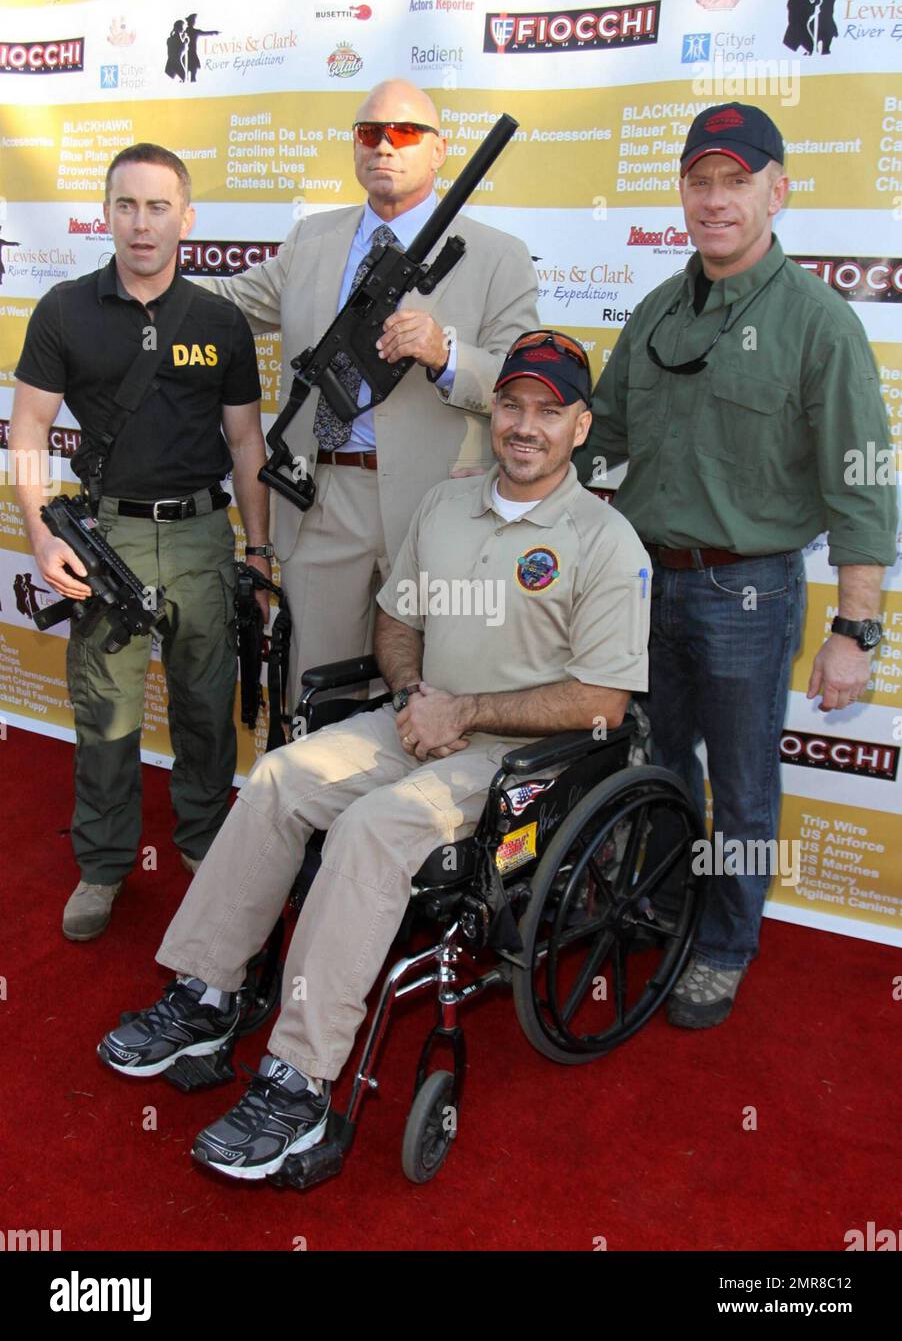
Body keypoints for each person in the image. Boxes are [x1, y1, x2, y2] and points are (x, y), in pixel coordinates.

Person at [96, 331, 651, 1181]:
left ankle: (301, 1078)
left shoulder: (606, 543)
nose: (525, 424)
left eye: (549, 410)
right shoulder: (446, 506)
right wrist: (413, 694)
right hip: (421, 717)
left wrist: (465, 710)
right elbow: (398, 622)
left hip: (520, 760)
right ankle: (208, 991)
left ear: (581, 426)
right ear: (493, 411)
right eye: (511, 404)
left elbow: (601, 702)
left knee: (372, 828)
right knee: (280, 776)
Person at [573, 102, 897, 1029]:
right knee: (654, 763)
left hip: (746, 593)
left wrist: (855, 630)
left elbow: (863, 489)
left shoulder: (818, 323)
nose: (716, 199)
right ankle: (665, 909)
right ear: (682, 191)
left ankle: (724, 944)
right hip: (640, 582)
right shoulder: (658, 310)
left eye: (737, 180)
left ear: (777, 190)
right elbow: (604, 443)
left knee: (745, 788)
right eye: (700, 180)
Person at [197, 77, 539, 706]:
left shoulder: (499, 256)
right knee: (319, 695)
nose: (385, 146)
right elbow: (228, 305)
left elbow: (526, 393)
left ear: (439, 151)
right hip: (323, 499)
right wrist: (145, 275)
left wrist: (445, 355)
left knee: (437, 695)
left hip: (442, 505)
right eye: (369, 133)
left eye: (405, 133)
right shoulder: (312, 240)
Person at [11, 143, 271, 942]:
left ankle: (202, 848)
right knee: (106, 713)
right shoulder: (65, 310)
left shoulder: (221, 322)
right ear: (106, 214)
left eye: (159, 207)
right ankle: (103, 864)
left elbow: (246, 446)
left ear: (185, 219)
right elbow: (27, 428)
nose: (141, 223)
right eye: (126, 205)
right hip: (106, 538)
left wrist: (258, 553)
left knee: (203, 710)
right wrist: (37, 535)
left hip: (199, 535)